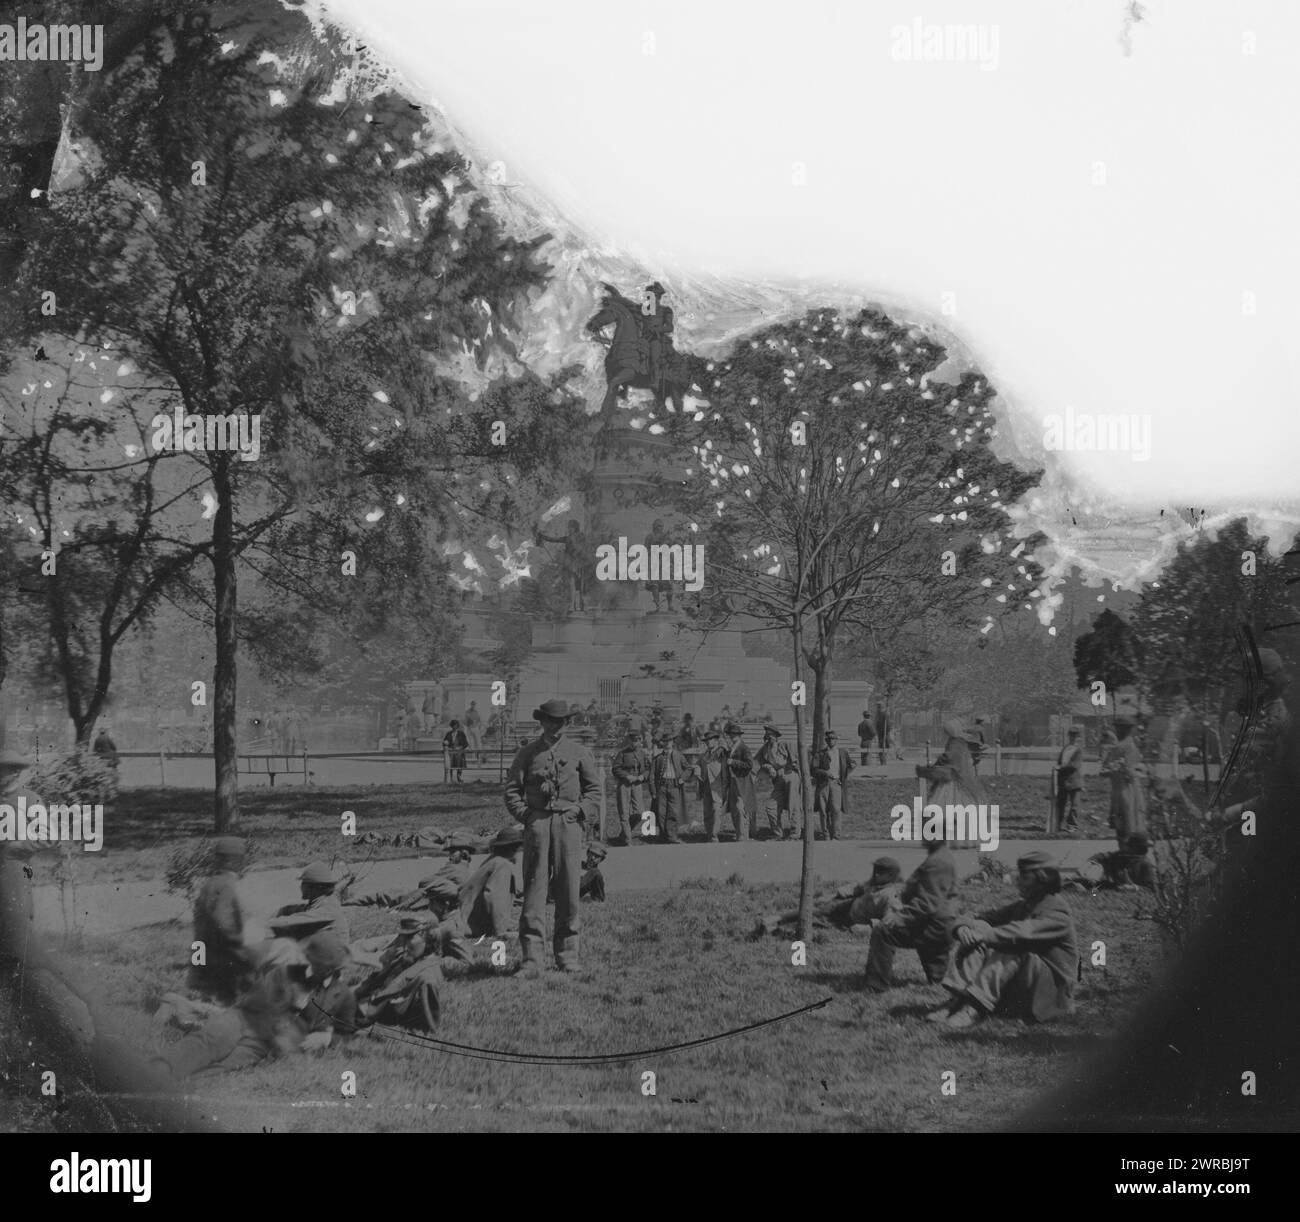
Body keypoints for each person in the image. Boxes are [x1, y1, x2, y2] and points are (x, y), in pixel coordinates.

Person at [159, 931, 357, 1078]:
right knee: (209, 1041)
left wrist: (327, 1038)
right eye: (324, 966)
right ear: (311, 960)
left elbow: (347, 1034)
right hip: (243, 1020)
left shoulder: (344, 995)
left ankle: (170, 1081)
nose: (331, 973)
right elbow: (249, 1005)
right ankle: (160, 1068)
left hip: (266, 1044)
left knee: (225, 1066)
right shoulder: (285, 973)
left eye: (335, 969)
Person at [927, 849, 1078, 1029]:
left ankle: (975, 1008)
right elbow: (983, 917)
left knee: (1012, 945)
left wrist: (983, 935)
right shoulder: (1025, 905)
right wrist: (963, 927)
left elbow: (1023, 931)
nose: (1017, 882)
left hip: (1051, 993)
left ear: (1042, 879)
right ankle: (958, 1000)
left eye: (1023, 877)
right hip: (1025, 985)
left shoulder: (1058, 913)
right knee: (980, 929)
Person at [504, 699, 600, 977]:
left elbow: (594, 791)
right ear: (541, 722)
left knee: (569, 890)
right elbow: (512, 791)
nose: (554, 727)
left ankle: (567, 955)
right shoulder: (528, 753)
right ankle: (532, 960)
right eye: (549, 721)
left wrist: (578, 811)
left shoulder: (579, 752)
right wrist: (528, 817)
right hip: (538, 826)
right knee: (534, 891)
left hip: (568, 826)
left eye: (560, 722)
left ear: (567, 724)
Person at [864, 833, 958, 991]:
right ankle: (938, 981)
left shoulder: (938, 862)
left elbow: (928, 903)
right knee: (938, 981)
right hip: (943, 924)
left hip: (935, 926)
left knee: (883, 930)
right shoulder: (943, 856)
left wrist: (899, 917)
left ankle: (876, 986)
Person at [432, 824, 524, 963]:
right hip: (467, 926)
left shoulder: (492, 861)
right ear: (514, 848)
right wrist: (501, 931)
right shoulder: (502, 865)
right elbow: (494, 897)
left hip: (458, 921)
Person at [755, 856, 904, 937]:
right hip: (847, 906)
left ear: (891, 876)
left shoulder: (891, 896)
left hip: (853, 921)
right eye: (875, 870)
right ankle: (777, 918)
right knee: (816, 910)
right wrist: (833, 895)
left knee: (817, 925)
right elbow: (857, 888)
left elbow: (891, 922)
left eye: (880, 872)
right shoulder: (874, 883)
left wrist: (868, 927)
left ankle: (776, 931)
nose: (876, 874)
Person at [189, 837, 258, 1004]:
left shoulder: (209, 883)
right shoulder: (227, 884)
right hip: (222, 957)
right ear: (234, 861)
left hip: (204, 952)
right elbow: (223, 924)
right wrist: (243, 947)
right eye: (241, 859)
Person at [346, 830, 477, 913]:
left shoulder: (454, 868)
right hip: (429, 901)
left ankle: (346, 904)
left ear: (463, 852)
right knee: (387, 896)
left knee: (383, 896)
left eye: (453, 852)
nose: (450, 856)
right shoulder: (466, 870)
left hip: (420, 899)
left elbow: (424, 882)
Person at [918, 718, 986, 810]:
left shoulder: (956, 741)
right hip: (959, 773)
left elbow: (949, 757)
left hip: (954, 775)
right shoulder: (960, 739)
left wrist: (936, 764)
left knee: (950, 795)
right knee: (960, 795)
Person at [275, 861, 350, 942]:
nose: (301, 887)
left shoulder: (327, 909)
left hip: (333, 953)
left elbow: (288, 922)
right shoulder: (324, 901)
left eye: (304, 883)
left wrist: (262, 925)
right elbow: (293, 909)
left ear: (315, 887)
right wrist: (282, 911)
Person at [1101, 717, 1147, 848]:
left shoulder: (1125, 746)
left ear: (1125, 730)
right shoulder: (1125, 745)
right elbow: (1108, 766)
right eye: (1117, 728)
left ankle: (1125, 852)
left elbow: (1127, 771)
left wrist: (1111, 770)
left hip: (1125, 789)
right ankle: (1125, 849)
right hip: (1124, 788)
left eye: (1119, 728)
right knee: (1125, 822)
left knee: (1126, 822)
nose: (1117, 730)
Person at [649, 729, 695, 844]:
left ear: (672, 742)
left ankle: (672, 836)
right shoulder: (658, 758)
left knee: (673, 812)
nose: (667, 743)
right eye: (665, 741)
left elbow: (689, 768)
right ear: (663, 743)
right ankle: (663, 836)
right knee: (661, 812)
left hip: (675, 786)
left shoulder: (679, 755)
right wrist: (653, 791)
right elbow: (651, 776)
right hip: (662, 787)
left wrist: (682, 778)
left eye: (669, 741)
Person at [756, 724, 801, 840]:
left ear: (776, 736)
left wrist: (795, 766)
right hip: (777, 780)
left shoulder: (785, 744)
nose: (769, 737)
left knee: (793, 805)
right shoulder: (765, 749)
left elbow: (798, 759)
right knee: (771, 807)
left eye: (771, 735)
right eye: (767, 735)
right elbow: (757, 761)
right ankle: (778, 833)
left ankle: (795, 834)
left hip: (790, 776)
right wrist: (767, 766)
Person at [1069, 831, 1156, 892]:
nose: (1125, 848)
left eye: (1129, 846)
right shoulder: (1120, 855)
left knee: (1096, 886)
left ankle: (1080, 885)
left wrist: (1133, 888)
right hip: (1111, 884)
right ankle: (1076, 883)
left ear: (1137, 848)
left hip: (1123, 886)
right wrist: (1091, 863)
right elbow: (1102, 856)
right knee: (1093, 877)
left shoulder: (1145, 863)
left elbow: (1151, 887)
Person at [812, 730, 854, 840]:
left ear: (836, 740)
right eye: (829, 739)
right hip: (823, 785)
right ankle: (825, 834)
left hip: (836, 784)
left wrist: (843, 777)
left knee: (836, 809)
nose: (831, 740)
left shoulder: (842, 752)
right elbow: (814, 770)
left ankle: (836, 835)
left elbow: (852, 765)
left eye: (833, 738)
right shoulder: (820, 753)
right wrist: (824, 773)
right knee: (823, 810)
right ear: (826, 740)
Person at [611, 729, 650, 846]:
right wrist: (627, 776)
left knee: (640, 812)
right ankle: (628, 841)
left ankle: (623, 835)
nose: (635, 743)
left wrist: (643, 777)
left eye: (638, 741)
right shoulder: (622, 753)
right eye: (633, 740)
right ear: (629, 741)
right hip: (624, 784)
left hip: (637, 784)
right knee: (624, 812)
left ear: (640, 741)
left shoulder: (642, 753)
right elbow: (615, 769)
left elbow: (648, 768)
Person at [697, 729, 727, 842]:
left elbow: (728, 751)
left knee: (716, 811)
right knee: (707, 812)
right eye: (707, 741)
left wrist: (725, 788)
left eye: (710, 740)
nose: (708, 742)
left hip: (718, 787)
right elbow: (698, 765)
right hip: (706, 787)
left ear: (716, 741)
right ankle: (709, 835)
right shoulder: (704, 755)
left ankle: (714, 836)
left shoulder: (722, 753)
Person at [1054, 727, 1085, 831]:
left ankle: (1072, 825)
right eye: (1071, 735)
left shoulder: (1078, 750)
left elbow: (1074, 765)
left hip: (1074, 780)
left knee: (1074, 805)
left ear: (1078, 737)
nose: (1073, 738)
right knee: (1061, 803)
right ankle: (1059, 824)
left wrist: (1061, 767)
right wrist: (1057, 767)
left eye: (1075, 736)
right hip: (1063, 780)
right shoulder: (1066, 748)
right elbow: (1060, 761)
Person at [644, 519, 673, 612]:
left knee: (669, 585)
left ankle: (670, 605)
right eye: (658, 526)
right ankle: (658, 606)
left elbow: (670, 547)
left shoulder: (666, 536)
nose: (659, 528)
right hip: (654, 563)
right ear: (654, 526)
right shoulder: (649, 537)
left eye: (661, 526)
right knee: (654, 585)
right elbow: (645, 550)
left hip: (664, 563)